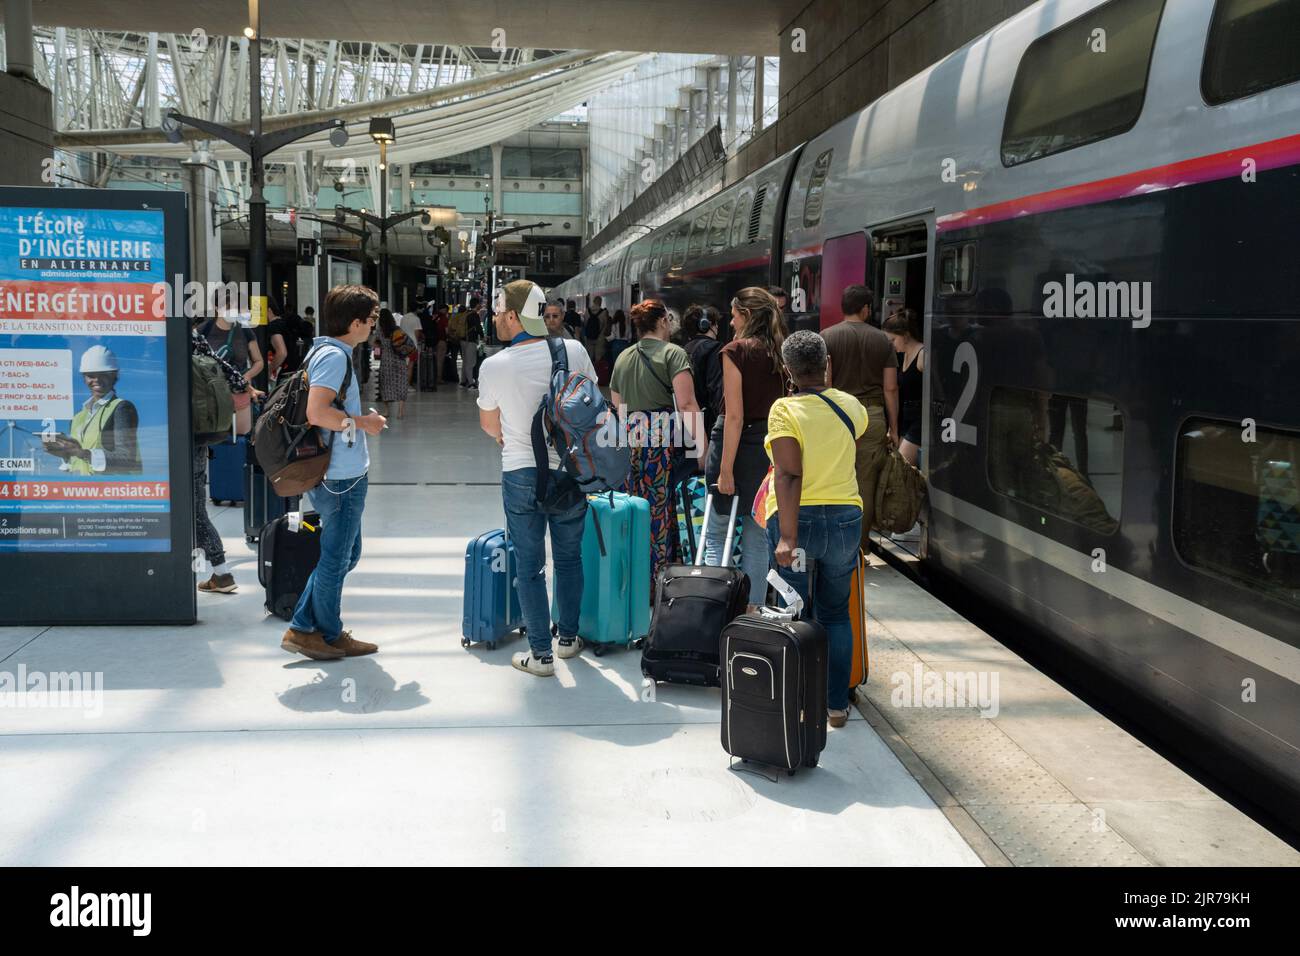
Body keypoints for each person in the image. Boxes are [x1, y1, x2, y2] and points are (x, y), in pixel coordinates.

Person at [476, 280, 595, 678]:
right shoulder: (573, 350)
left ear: (513, 315)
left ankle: (540, 655)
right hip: (570, 470)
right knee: (568, 559)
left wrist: (512, 433)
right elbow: (593, 403)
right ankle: (568, 640)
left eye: (497, 312)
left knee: (529, 566)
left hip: (521, 472)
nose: (494, 319)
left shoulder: (494, 365)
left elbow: (490, 427)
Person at [764, 331, 868, 729]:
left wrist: (788, 537)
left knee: (795, 612)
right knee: (836, 614)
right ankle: (836, 706)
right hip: (844, 519)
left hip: (798, 520)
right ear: (826, 363)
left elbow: (789, 472)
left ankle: (798, 701)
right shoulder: (852, 406)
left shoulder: (783, 410)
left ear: (788, 371)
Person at [282, 284, 388, 661]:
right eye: (372, 319)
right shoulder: (334, 357)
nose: (373, 326)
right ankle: (315, 631)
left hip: (341, 470)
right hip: (339, 476)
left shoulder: (329, 351)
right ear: (356, 322)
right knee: (336, 556)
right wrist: (363, 423)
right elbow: (318, 413)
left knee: (347, 553)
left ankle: (312, 626)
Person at [610, 299, 707, 586]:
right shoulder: (673, 354)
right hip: (660, 440)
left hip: (628, 440)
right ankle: (657, 580)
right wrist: (702, 448)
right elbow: (688, 404)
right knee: (660, 509)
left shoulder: (624, 357)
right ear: (663, 320)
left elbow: (617, 406)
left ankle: (630, 576)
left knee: (633, 507)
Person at [702, 286, 788, 607]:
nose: (732, 321)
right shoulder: (780, 351)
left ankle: (716, 607)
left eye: (735, 314)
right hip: (766, 451)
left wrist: (725, 470)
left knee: (716, 534)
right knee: (756, 540)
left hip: (734, 449)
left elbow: (734, 416)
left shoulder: (735, 351)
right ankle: (751, 611)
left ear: (747, 315)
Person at [823, 284, 899, 544]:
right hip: (872, 416)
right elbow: (890, 387)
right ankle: (859, 547)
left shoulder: (827, 337)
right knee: (865, 484)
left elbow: (827, 383)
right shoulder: (882, 340)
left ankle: (835, 543)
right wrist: (894, 428)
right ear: (866, 308)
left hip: (838, 416)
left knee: (835, 478)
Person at [190, 328, 259, 594]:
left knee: (194, 510)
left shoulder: (163, 335)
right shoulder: (195, 335)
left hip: (177, 437)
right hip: (200, 435)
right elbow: (234, 377)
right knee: (194, 506)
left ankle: (222, 572)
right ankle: (218, 573)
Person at [42, 345, 141, 475]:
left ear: (114, 376)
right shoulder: (78, 418)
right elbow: (75, 462)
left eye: (103, 375)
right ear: (84, 378)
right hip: (83, 490)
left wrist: (81, 453)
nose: (96, 380)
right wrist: (64, 453)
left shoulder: (121, 408)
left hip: (110, 491)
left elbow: (126, 459)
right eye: (91, 375)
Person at [882, 307, 925, 467]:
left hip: (920, 419)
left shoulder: (923, 355)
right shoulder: (903, 355)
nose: (892, 345)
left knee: (900, 467)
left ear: (905, 335)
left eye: (893, 340)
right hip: (906, 418)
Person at [682, 304, 723, 435]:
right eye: (715, 324)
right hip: (707, 422)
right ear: (705, 324)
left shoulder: (684, 349)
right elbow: (716, 388)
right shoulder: (713, 348)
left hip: (687, 420)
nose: (717, 328)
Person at [376, 307, 417, 419]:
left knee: (385, 385)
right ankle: (400, 411)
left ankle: (387, 411)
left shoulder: (380, 331)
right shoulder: (397, 329)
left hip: (386, 361)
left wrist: (377, 354)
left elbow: (377, 346)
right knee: (401, 384)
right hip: (399, 360)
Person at [459, 296, 484, 389]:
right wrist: (482, 336)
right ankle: (471, 383)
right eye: (479, 304)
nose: (480, 305)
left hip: (463, 340)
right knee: (471, 362)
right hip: (470, 341)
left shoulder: (466, 313)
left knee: (465, 361)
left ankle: (463, 381)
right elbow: (478, 328)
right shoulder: (474, 315)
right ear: (477, 305)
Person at [584, 295, 609, 364]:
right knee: (598, 358)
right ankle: (597, 372)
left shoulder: (587, 311)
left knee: (589, 357)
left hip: (589, 337)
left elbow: (585, 323)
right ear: (600, 302)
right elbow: (605, 325)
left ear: (593, 302)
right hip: (599, 338)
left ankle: (589, 372)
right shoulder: (603, 312)